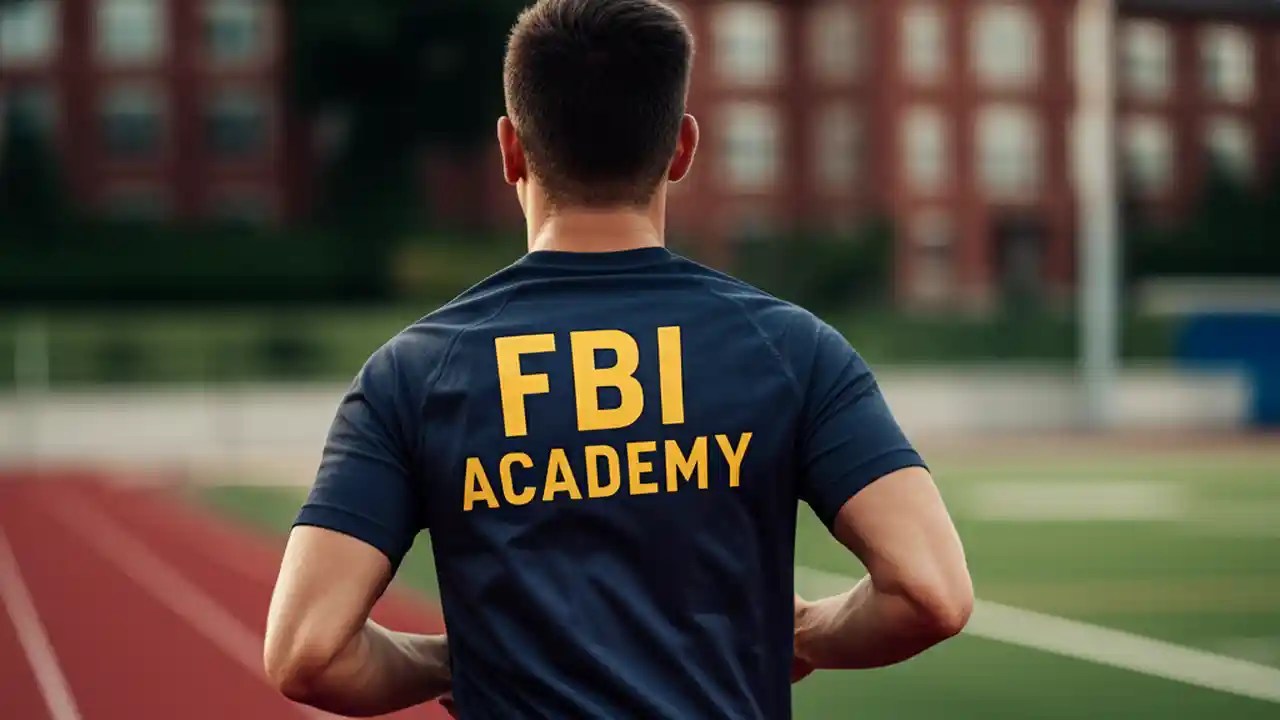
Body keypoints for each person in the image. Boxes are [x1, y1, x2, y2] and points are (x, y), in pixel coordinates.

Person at [263, 0, 972, 717]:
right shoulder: (792, 349)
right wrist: (801, 631)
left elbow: (308, 652)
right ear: (682, 148)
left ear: (510, 149)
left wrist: (464, 657)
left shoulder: (413, 373)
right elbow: (931, 593)